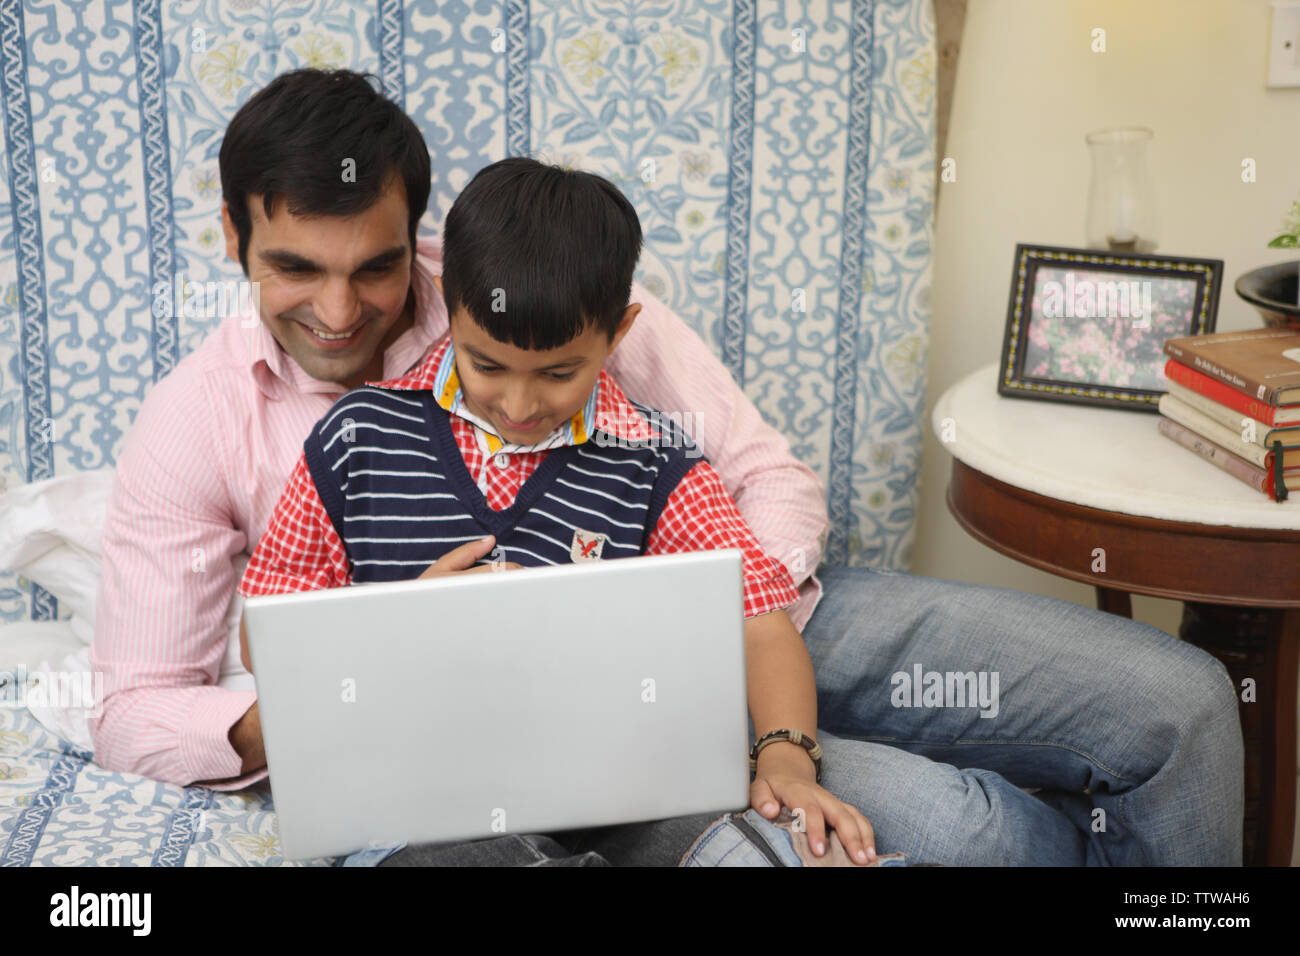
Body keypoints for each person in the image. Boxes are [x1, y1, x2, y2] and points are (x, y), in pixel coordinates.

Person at [89, 67, 1244, 867]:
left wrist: (692, 631)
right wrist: (373, 669)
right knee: (962, 827)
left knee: (1181, 700)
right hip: (499, 741)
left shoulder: (540, 284)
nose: (341, 309)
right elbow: (157, 694)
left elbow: (761, 489)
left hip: (759, 618)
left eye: (378, 267)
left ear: (419, 238)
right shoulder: (214, 427)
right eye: (295, 266)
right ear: (233, 239)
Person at [238, 154, 886, 866]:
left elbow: (759, 623)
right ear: (447, 304)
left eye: (558, 373)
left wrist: (786, 760)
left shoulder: (653, 464)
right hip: (413, 810)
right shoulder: (357, 440)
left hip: (623, 799)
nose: (519, 406)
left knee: (778, 856)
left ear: (619, 331)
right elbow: (269, 639)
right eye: (486, 365)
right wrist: (401, 632)